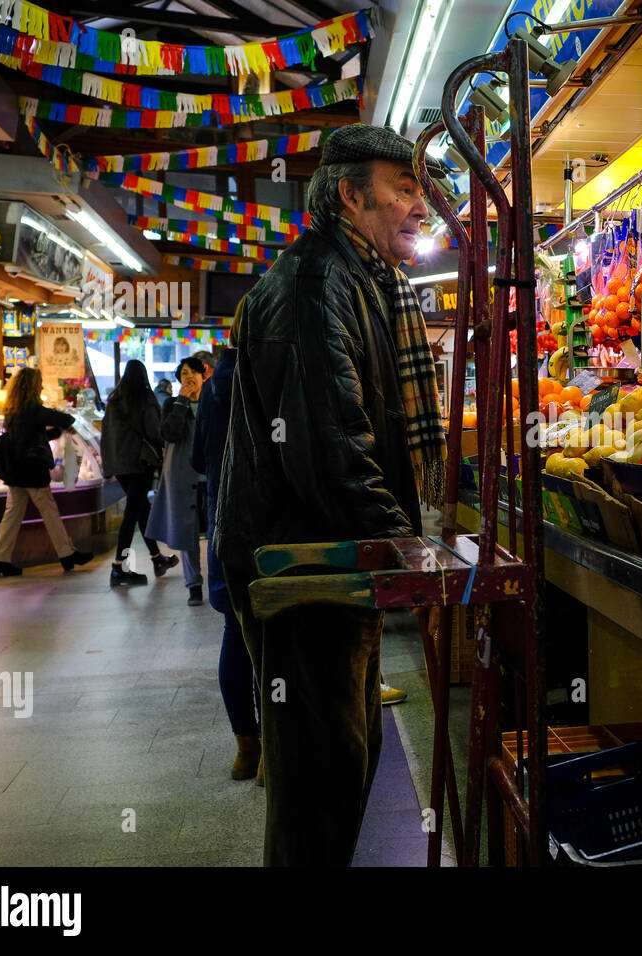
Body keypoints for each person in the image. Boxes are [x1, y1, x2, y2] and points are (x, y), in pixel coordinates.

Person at [214, 124, 447, 866]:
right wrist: (408, 553)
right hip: (302, 568)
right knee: (320, 780)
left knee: (344, 760)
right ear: (350, 194)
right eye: (404, 188)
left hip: (329, 565)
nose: (420, 206)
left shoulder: (358, 281)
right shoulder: (315, 286)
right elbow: (328, 445)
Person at [192, 347, 261, 782]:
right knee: (272, 644)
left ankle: (245, 751)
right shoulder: (273, 379)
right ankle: (272, 755)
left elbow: (200, 461)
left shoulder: (213, 388)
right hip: (271, 531)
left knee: (235, 636)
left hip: (224, 527)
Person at [0, 368, 93, 577]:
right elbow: (62, 418)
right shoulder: (32, 409)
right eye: (39, 382)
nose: (42, 386)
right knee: (49, 511)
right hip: (31, 471)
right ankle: (67, 554)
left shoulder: (14, 409)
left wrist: (58, 431)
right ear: (31, 386)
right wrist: (67, 425)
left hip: (15, 471)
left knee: (12, 514)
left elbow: (34, 436)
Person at [99, 359, 178, 586]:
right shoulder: (145, 398)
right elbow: (154, 430)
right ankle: (118, 568)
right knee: (133, 515)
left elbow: (107, 434)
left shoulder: (114, 400)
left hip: (120, 466)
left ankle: (157, 559)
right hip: (139, 464)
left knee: (142, 510)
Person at [146, 356, 206, 606]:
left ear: (205, 375)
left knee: (215, 532)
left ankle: (221, 581)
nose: (189, 377)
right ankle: (193, 585)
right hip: (182, 476)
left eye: (193, 372)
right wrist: (182, 400)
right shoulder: (172, 404)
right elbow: (169, 434)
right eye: (183, 374)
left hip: (210, 477)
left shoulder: (211, 402)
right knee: (186, 532)